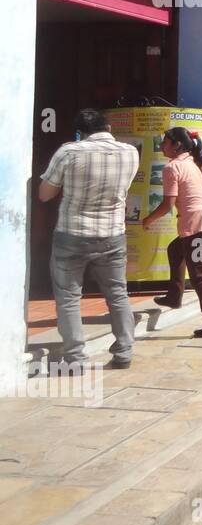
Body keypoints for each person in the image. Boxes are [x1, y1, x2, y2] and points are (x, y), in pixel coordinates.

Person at [37, 108, 140, 371]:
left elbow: (45, 194)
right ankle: (125, 350)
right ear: (107, 127)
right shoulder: (130, 152)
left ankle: (76, 357)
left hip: (73, 234)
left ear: (80, 132)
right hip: (112, 235)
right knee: (118, 294)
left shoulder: (69, 152)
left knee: (69, 297)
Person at [143, 128, 202, 338]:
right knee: (175, 249)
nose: (162, 146)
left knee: (200, 276)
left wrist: (149, 219)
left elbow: (168, 204)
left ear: (177, 145)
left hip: (197, 226)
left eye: (165, 142)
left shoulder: (173, 167)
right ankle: (174, 295)